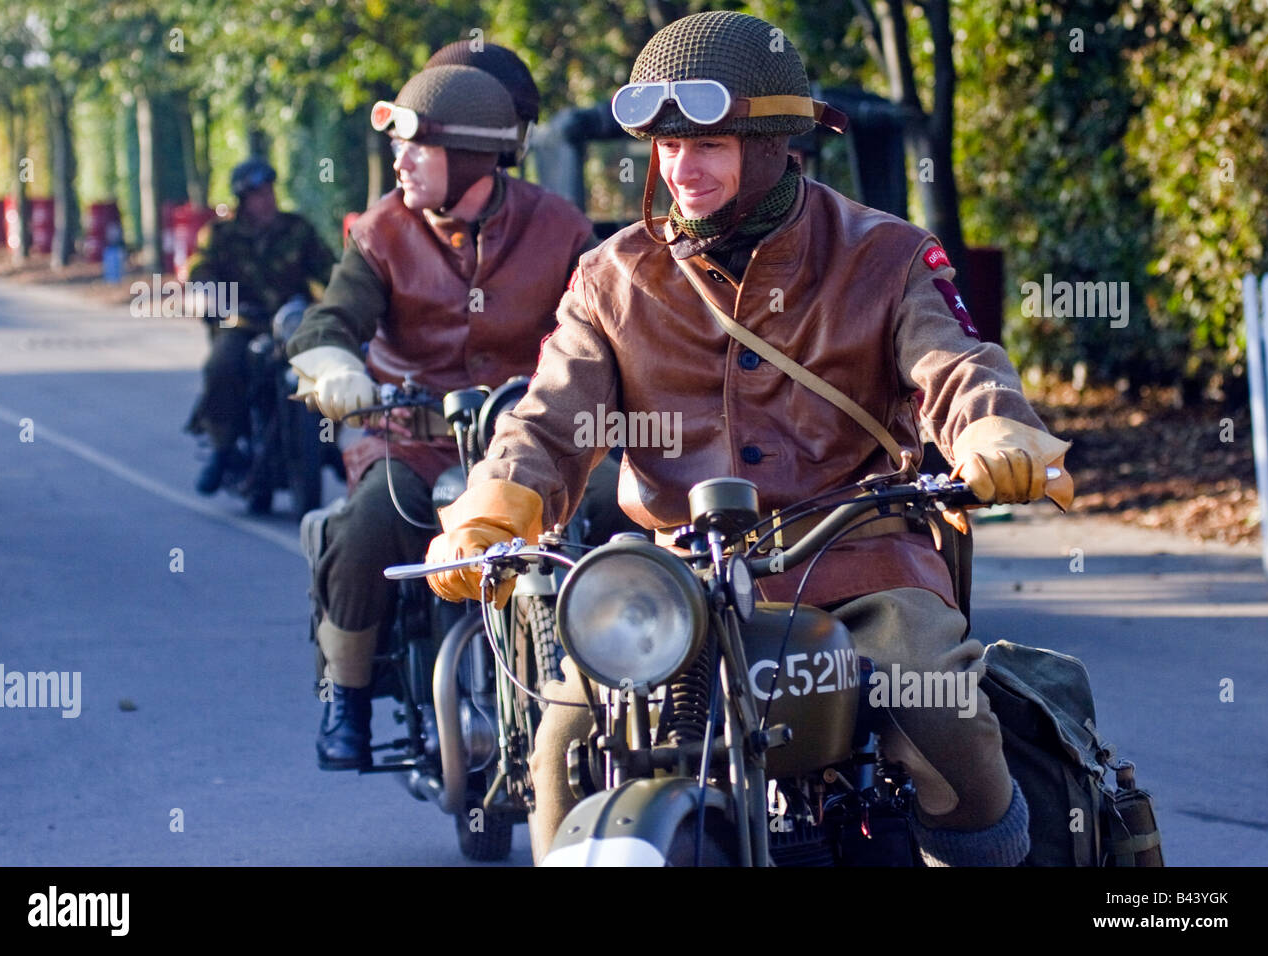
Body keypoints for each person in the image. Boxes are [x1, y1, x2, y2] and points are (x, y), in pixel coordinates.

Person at [425, 10, 1074, 866]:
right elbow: (549, 414)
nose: (680, 170)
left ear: (770, 145)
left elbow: (955, 363)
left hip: (857, 567)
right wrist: (495, 507)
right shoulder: (613, 276)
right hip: (677, 585)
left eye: (709, 147)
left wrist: (993, 430)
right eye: (665, 148)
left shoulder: (884, 255)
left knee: (942, 711)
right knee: (562, 742)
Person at [286, 59, 609, 771]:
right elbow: (328, 323)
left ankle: (648, 682)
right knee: (367, 525)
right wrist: (335, 367)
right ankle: (346, 696)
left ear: (469, 157)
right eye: (399, 145)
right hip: (412, 442)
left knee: (624, 510)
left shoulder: (559, 228)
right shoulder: (381, 232)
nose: (399, 161)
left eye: (417, 147)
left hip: (533, 441)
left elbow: (615, 323)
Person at [186, 158, 337, 497]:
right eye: (257, 193)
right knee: (222, 366)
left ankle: (327, 443)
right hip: (244, 324)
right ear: (242, 198)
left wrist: (344, 299)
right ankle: (223, 449)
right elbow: (200, 270)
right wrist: (209, 296)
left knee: (336, 369)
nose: (266, 199)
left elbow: (331, 272)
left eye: (269, 190)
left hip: (295, 325)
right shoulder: (220, 235)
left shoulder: (297, 229)